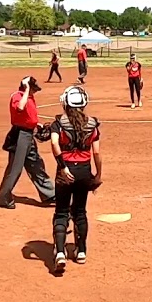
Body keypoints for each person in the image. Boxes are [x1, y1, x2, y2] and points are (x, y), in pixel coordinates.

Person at [49, 85, 102, 272]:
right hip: (84, 171)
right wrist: (98, 175)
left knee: (62, 212)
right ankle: (81, 251)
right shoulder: (92, 123)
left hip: (66, 172)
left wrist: (62, 166)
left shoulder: (58, 123)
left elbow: (55, 144)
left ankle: (61, 252)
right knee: (80, 211)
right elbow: (96, 152)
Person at [0, 76, 55, 209]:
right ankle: (2, 197)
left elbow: (26, 116)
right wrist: (26, 90)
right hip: (20, 136)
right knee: (15, 168)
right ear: (27, 87)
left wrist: (37, 124)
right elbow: (20, 108)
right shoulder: (17, 96)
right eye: (33, 89)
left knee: (36, 164)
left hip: (29, 134)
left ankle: (49, 194)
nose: (34, 92)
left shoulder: (29, 97)